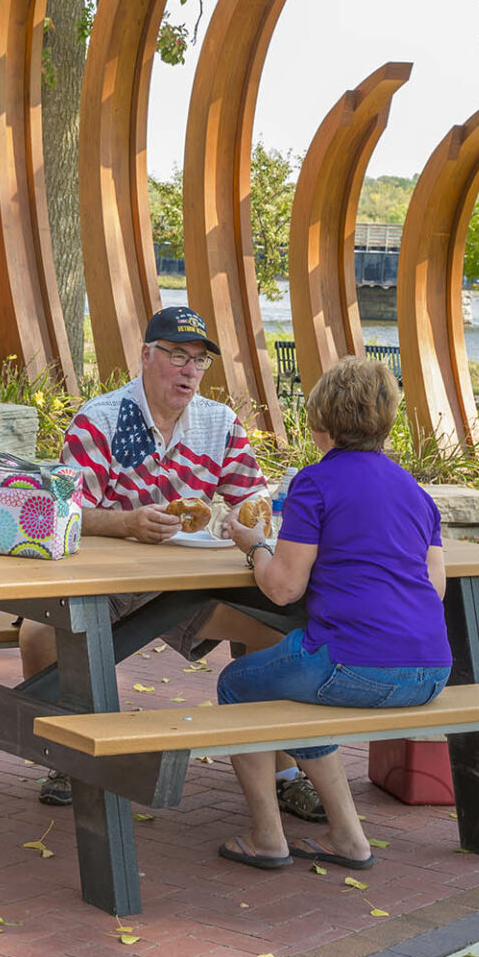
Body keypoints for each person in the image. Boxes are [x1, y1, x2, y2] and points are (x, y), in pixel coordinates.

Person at [28, 306, 317, 812]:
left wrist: (248, 525)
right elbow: (64, 509)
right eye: (177, 355)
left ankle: (285, 772)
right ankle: (68, 761)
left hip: (191, 584)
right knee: (41, 634)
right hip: (107, 579)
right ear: (146, 355)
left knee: (274, 632)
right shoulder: (100, 420)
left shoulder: (219, 423)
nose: (189, 370)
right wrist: (126, 523)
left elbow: (253, 504)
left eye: (199, 361)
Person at [216, 356, 451, 870]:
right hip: (431, 672)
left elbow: (282, 588)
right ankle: (348, 838)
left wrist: (254, 544)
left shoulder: (315, 483)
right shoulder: (416, 493)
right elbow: (434, 588)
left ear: (319, 424)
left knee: (236, 685)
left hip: (353, 666)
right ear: (388, 419)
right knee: (298, 690)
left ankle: (267, 839)